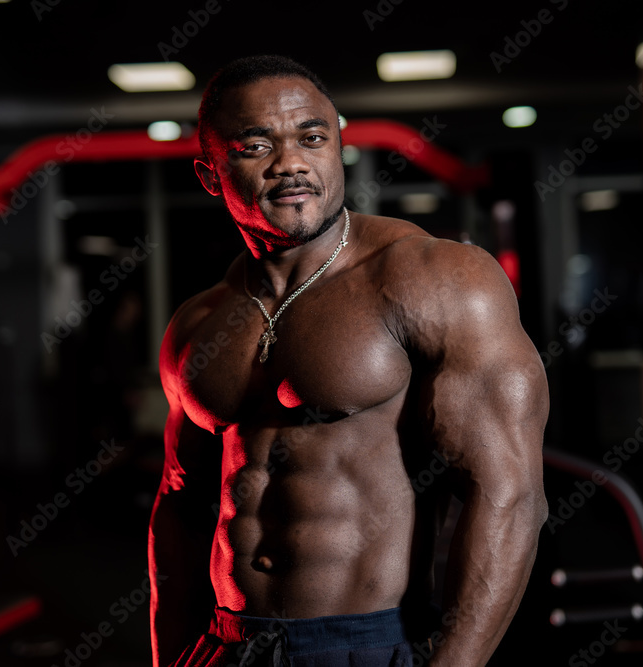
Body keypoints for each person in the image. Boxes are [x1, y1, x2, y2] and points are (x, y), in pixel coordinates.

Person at [149, 55, 549, 667]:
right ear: (212, 174)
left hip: (363, 643)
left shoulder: (432, 278)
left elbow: (508, 493)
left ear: (339, 146)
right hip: (227, 642)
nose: (290, 163)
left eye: (312, 138)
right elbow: (178, 502)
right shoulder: (198, 321)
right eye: (257, 146)